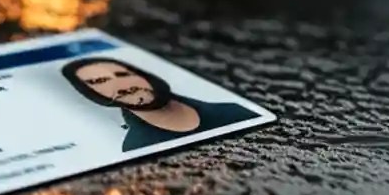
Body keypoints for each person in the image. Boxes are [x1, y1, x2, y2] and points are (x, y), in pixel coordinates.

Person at [60, 57, 257, 152]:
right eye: (99, 82)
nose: (122, 85)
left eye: (124, 75)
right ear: (91, 93)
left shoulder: (235, 111)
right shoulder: (137, 148)